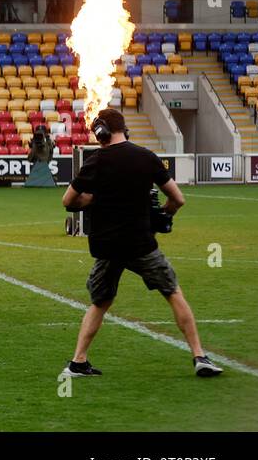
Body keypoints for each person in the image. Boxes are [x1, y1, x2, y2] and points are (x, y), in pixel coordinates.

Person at [60, 108, 222, 379]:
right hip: (140, 243)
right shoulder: (147, 158)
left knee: (100, 302)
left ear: (101, 132)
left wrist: (93, 199)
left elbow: (68, 202)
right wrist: (162, 217)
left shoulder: (96, 161)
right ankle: (199, 356)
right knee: (172, 291)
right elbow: (178, 199)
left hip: (108, 246)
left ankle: (78, 362)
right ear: (124, 129)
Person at [24, 123, 56, 188]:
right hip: (37, 160)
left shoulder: (48, 141)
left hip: (44, 160)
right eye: (38, 133)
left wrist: (49, 143)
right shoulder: (35, 141)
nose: (40, 134)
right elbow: (31, 154)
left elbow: (50, 153)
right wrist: (33, 144)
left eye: (41, 133)